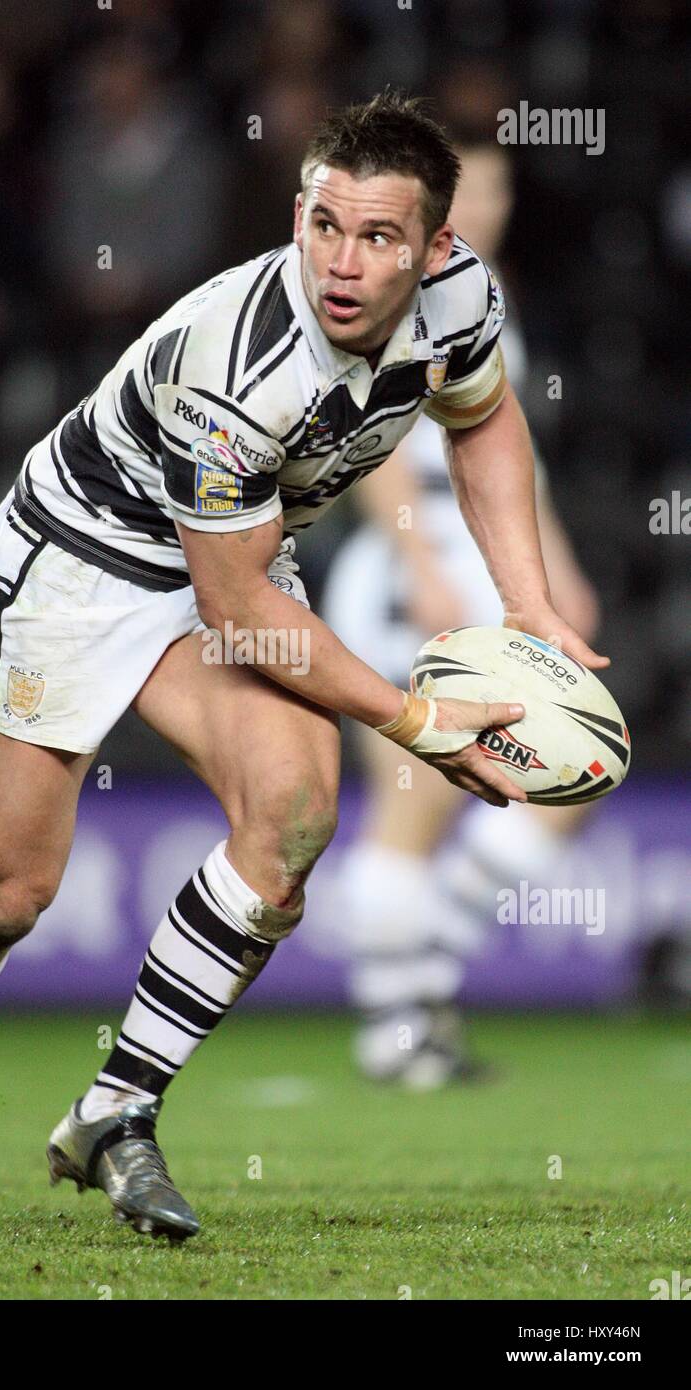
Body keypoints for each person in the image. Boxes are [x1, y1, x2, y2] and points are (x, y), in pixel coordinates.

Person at [0, 92, 607, 1244]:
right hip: (81, 553)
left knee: (295, 811)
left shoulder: (461, 301)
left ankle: (117, 1107)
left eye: (376, 238)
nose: (341, 262)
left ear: (435, 249)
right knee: (5, 896)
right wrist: (414, 720)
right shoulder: (239, 366)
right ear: (295, 212)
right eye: (321, 226)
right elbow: (237, 607)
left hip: (233, 554)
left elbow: (483, 415)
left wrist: (526, 603)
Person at [322, 139, 601, 1088]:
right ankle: (392, 1027)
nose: (486, 202)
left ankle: (418, 986)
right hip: (420, 561)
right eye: (469, 186)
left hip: (486, 561)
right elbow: (377, 440)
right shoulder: (404, 286)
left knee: (572, 777)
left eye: (499, 185)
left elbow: (507, 451)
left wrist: (554, 573)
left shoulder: (484, 294)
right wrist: (416, 563)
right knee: (415, 798)